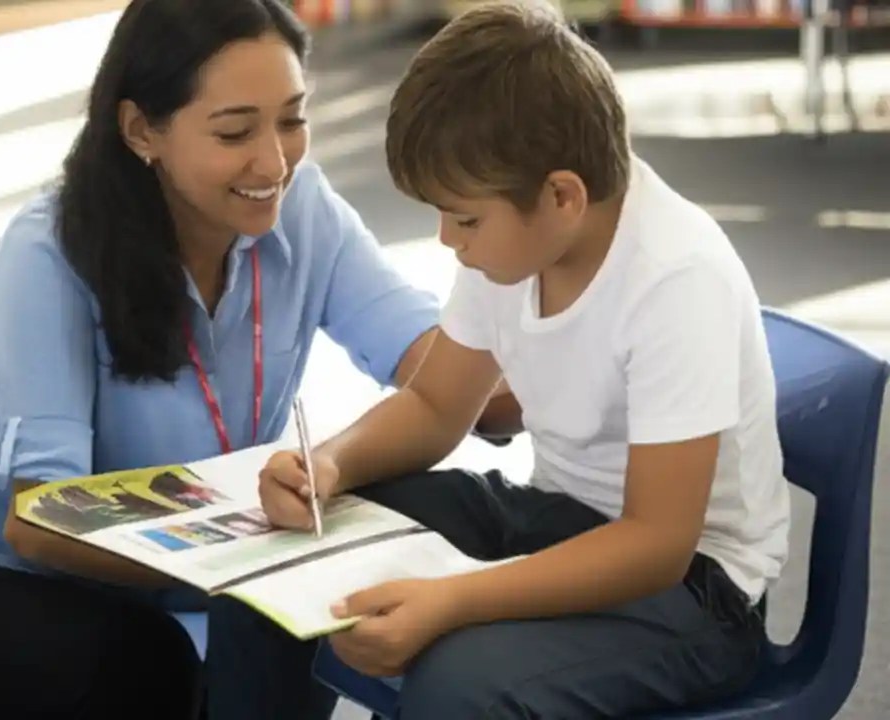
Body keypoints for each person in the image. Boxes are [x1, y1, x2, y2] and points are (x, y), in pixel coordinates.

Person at [0, 0, 512, 717]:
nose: (274, 160)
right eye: (235, 130)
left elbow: (431, 361)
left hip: (163, 577)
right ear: (141, 130)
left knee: (314, 611)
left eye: (292, 118)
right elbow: (39, 521)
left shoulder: (299, 205)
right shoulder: (49, 253)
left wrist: (530, 364)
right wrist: (253, 574)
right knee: (147, 665)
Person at [256, 2, 791, 718]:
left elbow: (657, 544)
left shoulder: (675, 276)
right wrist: (329, 465)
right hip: (559, 515)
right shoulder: (511, 241)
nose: (448, 239)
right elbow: (437, 406)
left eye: (465, 218)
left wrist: (451, 601)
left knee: (460, 681)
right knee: (277, 567)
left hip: (695, 588)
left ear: (562, 196)